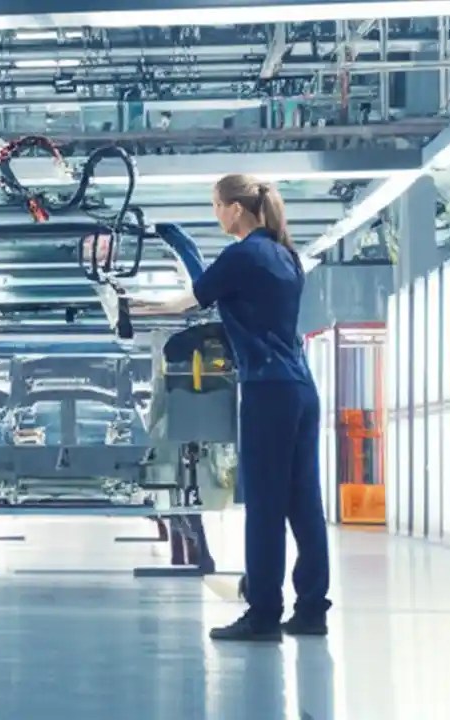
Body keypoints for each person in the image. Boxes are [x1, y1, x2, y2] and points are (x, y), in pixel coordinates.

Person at [129, 173, 332, 641]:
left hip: (266, 390)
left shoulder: (242, 255)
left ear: (235, 209)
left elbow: (188, 302)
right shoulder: (286, 256)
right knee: (303, 503)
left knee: (264, 504)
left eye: (216, 205)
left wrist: (132, 307)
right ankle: (311, 609)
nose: (215, 214)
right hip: (301, 388)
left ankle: (262, 614)